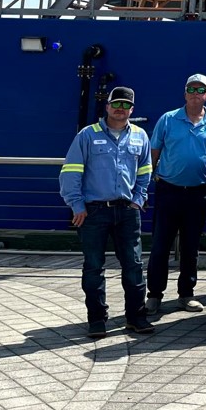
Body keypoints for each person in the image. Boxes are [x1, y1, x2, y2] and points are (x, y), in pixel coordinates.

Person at [59, 86, 154, 338]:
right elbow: (71, 172)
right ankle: (97, 320)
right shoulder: (87, 135)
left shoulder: (140, 136)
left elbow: (145, 171)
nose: (120, 109)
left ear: (131, 110)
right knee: (93, 267)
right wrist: (76, 205)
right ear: (107, 106)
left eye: (126, 106)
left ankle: (136, 317)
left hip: (127, 212)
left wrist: (139, 199)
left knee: (133, 265)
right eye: (117, 104)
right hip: (94, 212)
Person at [146, 73, 206, 316]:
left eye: (201, 90)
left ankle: (186, 295)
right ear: (185, 93)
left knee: (191, 247)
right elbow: (154, 154)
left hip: (199, 194)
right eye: (191, 88)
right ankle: (154, 295)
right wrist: (144, 186)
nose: (195, 93)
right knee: (160, 245)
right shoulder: (168, 120)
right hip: (169, 191)